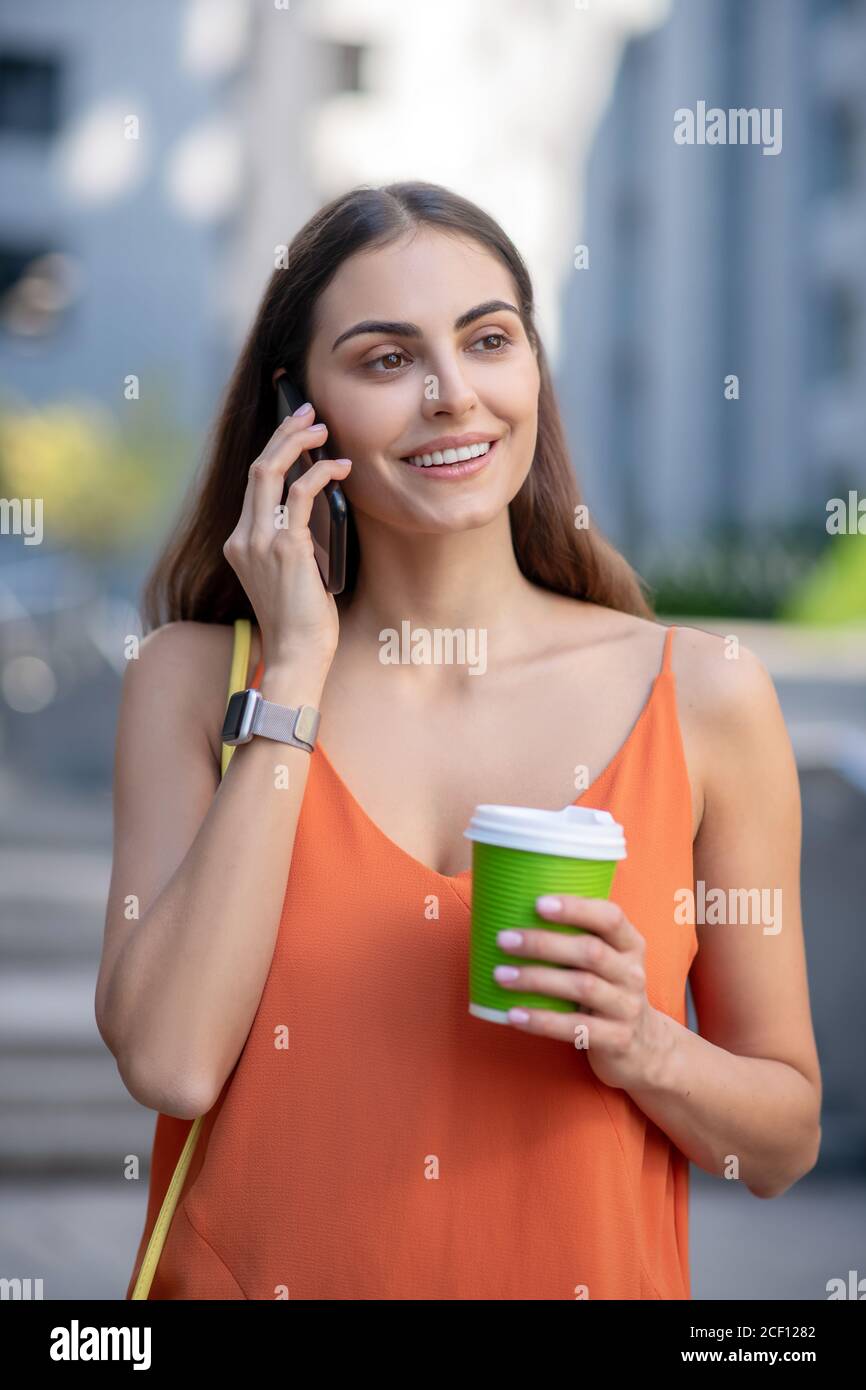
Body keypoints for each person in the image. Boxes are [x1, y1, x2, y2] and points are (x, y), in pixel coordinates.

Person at [97, 180, 821, 1300]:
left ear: (531, 364)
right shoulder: (198, 682)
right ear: (301, 406)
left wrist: (643, 1044)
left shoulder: (706, 695)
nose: (451, 396)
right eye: (386, 360)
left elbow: (778, 1146)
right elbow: (170, 1061)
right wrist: (290, 675)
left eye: (487, 340)